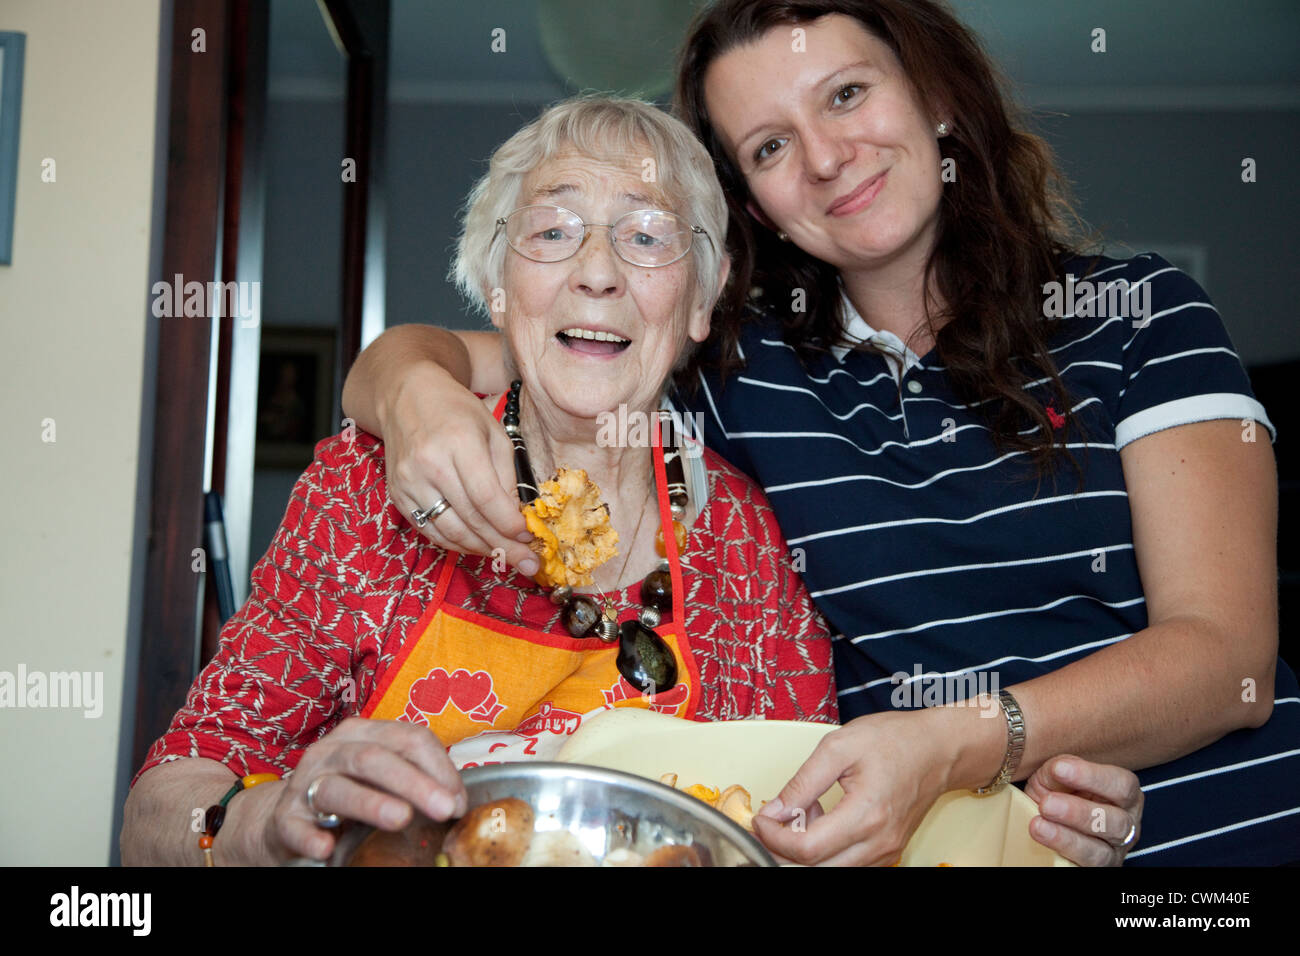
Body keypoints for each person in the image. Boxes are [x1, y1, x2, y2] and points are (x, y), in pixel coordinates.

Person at [341, 0, 1299, 867]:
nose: (827, 157)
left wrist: (966, 743)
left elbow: (1228, 658)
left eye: (846, 94)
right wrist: (406, 387)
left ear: (935, 97)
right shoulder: (741, 371)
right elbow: (526, 346)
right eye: (769, 146)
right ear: (756, 205)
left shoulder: (1140, 315)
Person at [123, 94, 1135, 868]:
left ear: (697, 305)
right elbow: (159, 809)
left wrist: (1021, 821)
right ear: (496, 281)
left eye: (647, 237)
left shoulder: (740, 531)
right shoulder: (365, 485)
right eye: (553, 230)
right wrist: (273, 816)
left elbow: (810, 821)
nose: (597, 271)